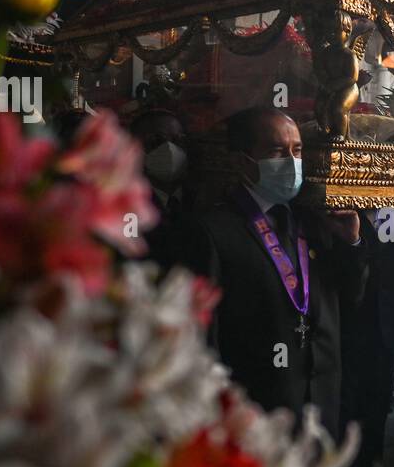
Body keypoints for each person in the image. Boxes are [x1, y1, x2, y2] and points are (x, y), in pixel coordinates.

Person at [174, 107, 365, 440]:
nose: (291, 162)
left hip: (320, 405)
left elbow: (350, 298)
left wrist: (352, 243)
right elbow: (203, 337)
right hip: (254, 411)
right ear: (242, 161)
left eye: (297, 150)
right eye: (277, 152)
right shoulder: (211, 231)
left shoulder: (315, 220)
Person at [339, 213, 394, 467]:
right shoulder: (345, 213)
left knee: (378, 410)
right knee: (349, 412)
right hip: (351, 329)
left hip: (387, 329)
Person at [129, 108, 189, 268]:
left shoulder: (201, 199)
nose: (169, 149)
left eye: (177, 140)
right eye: (156, 142)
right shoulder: (129, 208)